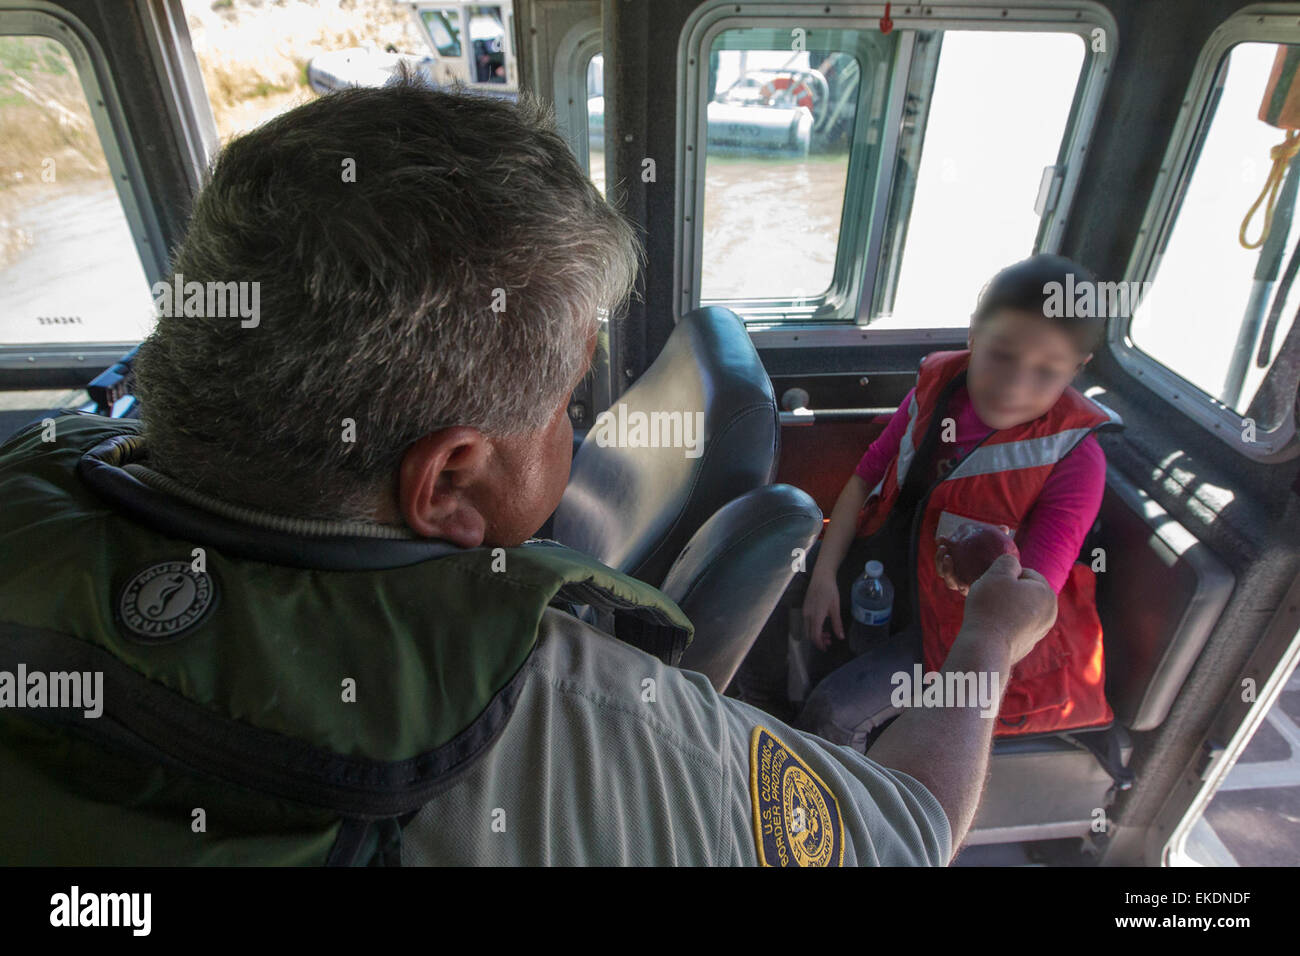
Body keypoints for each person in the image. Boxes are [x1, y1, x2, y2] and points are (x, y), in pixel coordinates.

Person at [0, 76, 1059, 866]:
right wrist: (986, 639)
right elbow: (907, 832)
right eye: (564, 400)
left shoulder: (30, 471)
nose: (577, 423)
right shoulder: (563, 718)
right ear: (450, 480)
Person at [784, 255, 1117, 752]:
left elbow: (1031, 602)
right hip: (890, 577)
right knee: (775, 603)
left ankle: (842, 818)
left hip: (958, 633)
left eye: (1046, 371)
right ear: (974, 334)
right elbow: (864, 479)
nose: (1015, 385)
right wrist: (825, 577)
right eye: (1001, 354)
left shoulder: (1075, 461)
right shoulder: (938, 388)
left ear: (1077, 368)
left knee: (835, 712)